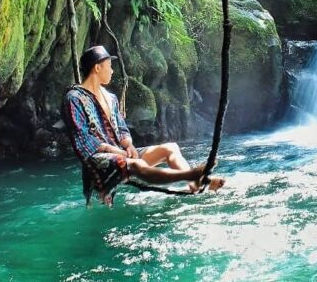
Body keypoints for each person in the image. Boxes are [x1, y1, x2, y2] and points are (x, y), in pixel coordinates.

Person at [63, 45, 224, 206]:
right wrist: (116, 151)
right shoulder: (74, 98)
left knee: (171, 148)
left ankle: (195, 184)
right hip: (98, 162)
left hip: (122, 153)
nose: (112, 71)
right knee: (137, 164)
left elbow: (121, 127)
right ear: (97, 68)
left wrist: (129, 145)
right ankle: (191, 175)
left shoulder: (110, 97)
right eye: (109, 66)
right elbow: (82, 140)